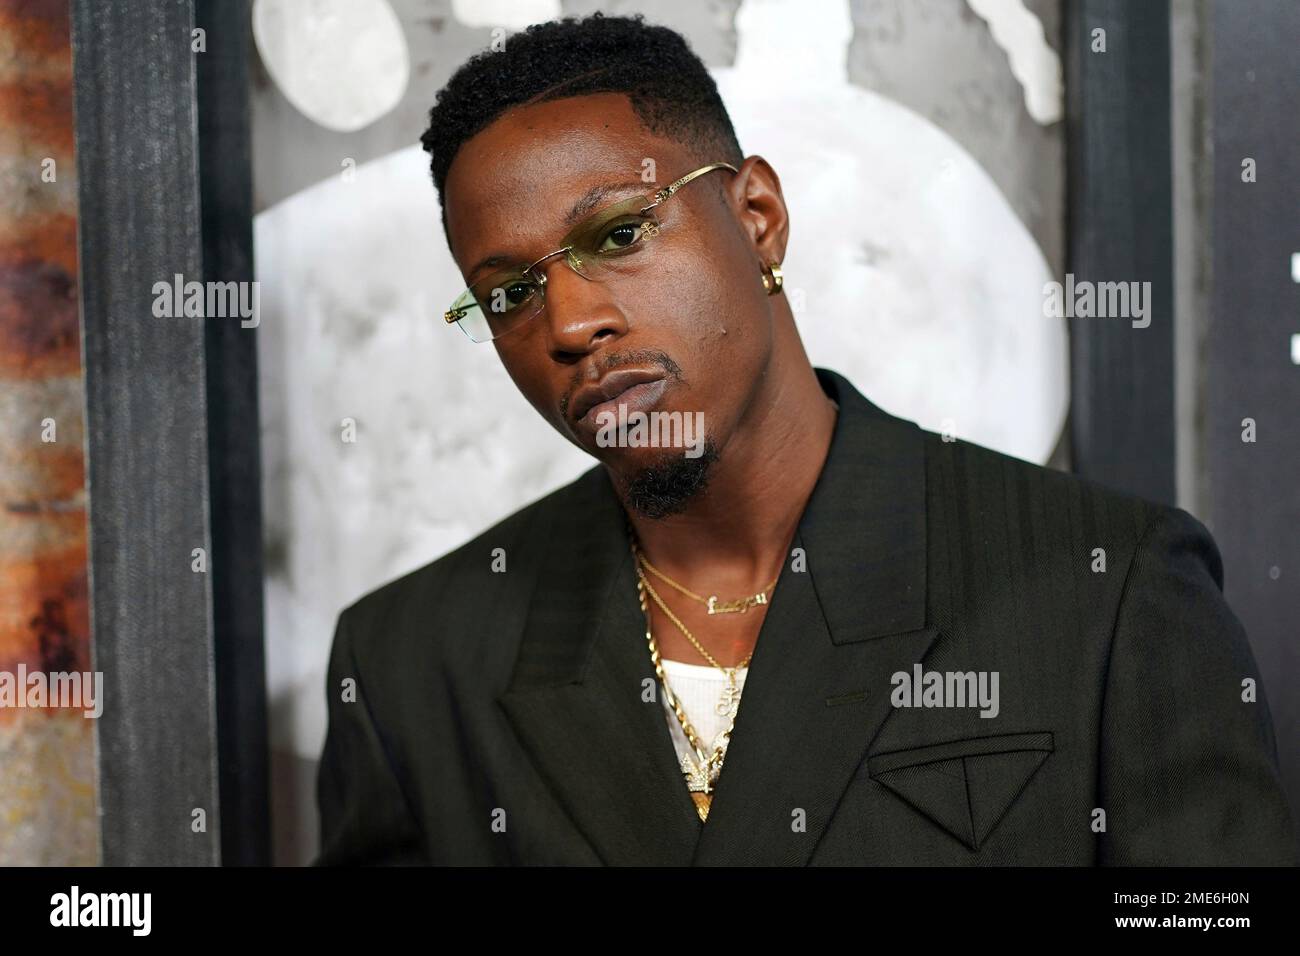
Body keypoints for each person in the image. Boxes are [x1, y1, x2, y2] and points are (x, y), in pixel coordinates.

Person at [314, 12, 1294, 865]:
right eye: (511, 292)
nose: (569, 324)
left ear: (758, 219)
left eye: (616, 235)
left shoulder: (1103, 592)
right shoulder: (414, 658)